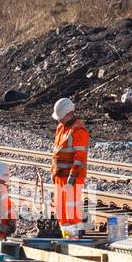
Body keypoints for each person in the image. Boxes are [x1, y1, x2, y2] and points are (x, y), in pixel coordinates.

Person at [50, 97, 90, 239]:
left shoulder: (79, 130)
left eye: (61, 117)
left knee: (71, 210)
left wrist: (72, 177)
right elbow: (56, 152)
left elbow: (80, 158)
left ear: (68, 113)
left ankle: (74, 238)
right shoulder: (61, 127)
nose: (59, 120)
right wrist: (53, 171)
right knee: (61, 211)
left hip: (72, 178)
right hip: (60, 176)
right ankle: (67, 237)